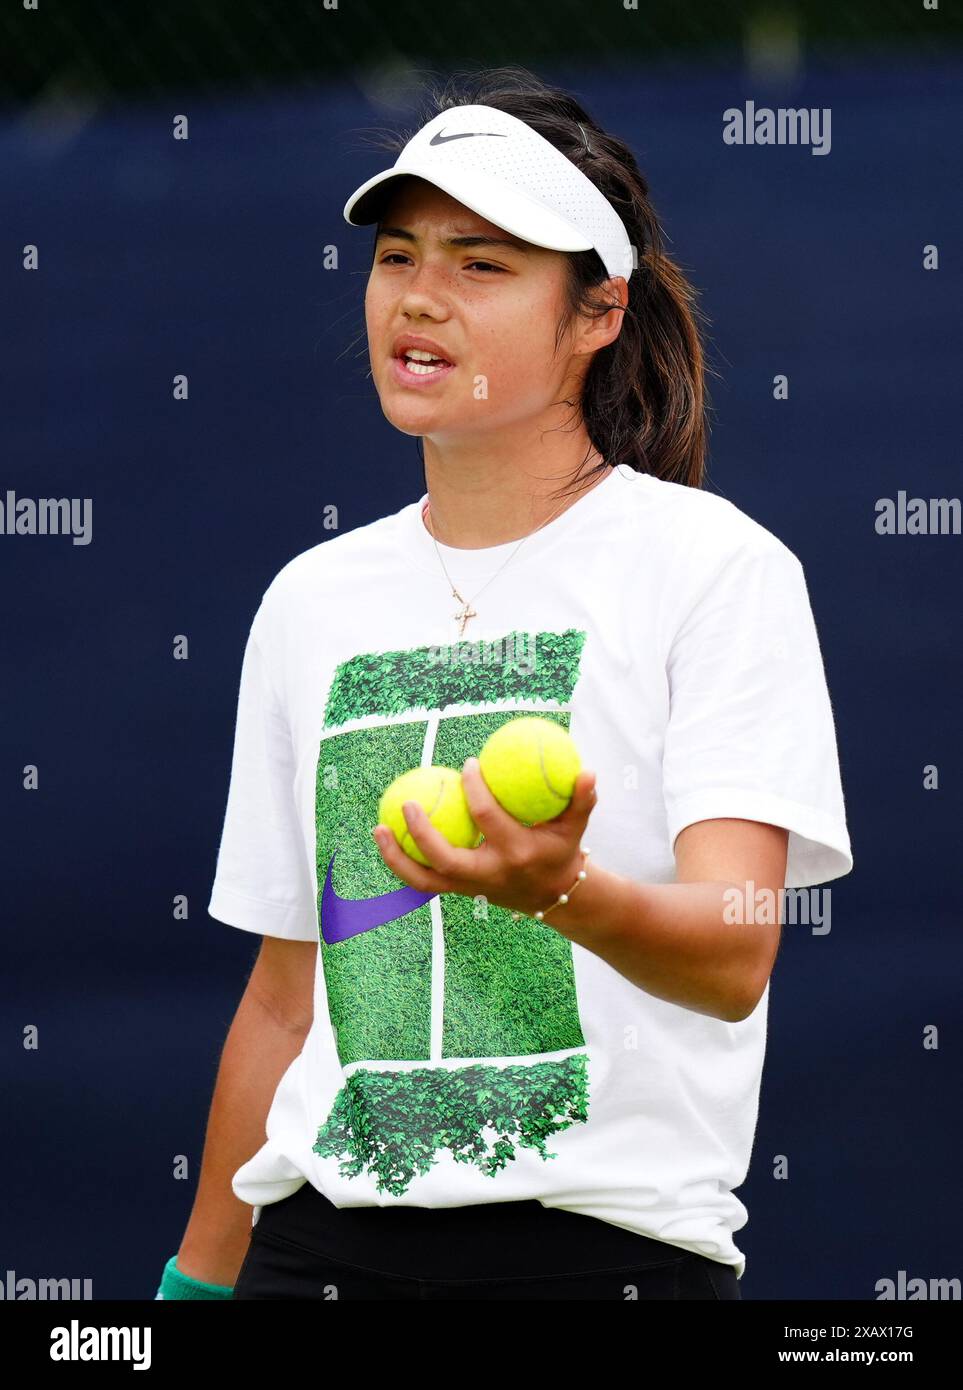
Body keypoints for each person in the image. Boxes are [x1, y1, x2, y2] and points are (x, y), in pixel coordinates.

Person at [157, 66, 853, 1302]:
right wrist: (196, 1288)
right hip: (315, 1253)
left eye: (482, 265)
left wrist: (561, 888)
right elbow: (283, 999)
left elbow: (739, 948)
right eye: (398, 256)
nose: (420, 298)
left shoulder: (719, 571)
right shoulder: (310, 602)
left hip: (604, 1260)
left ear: (596, 314)